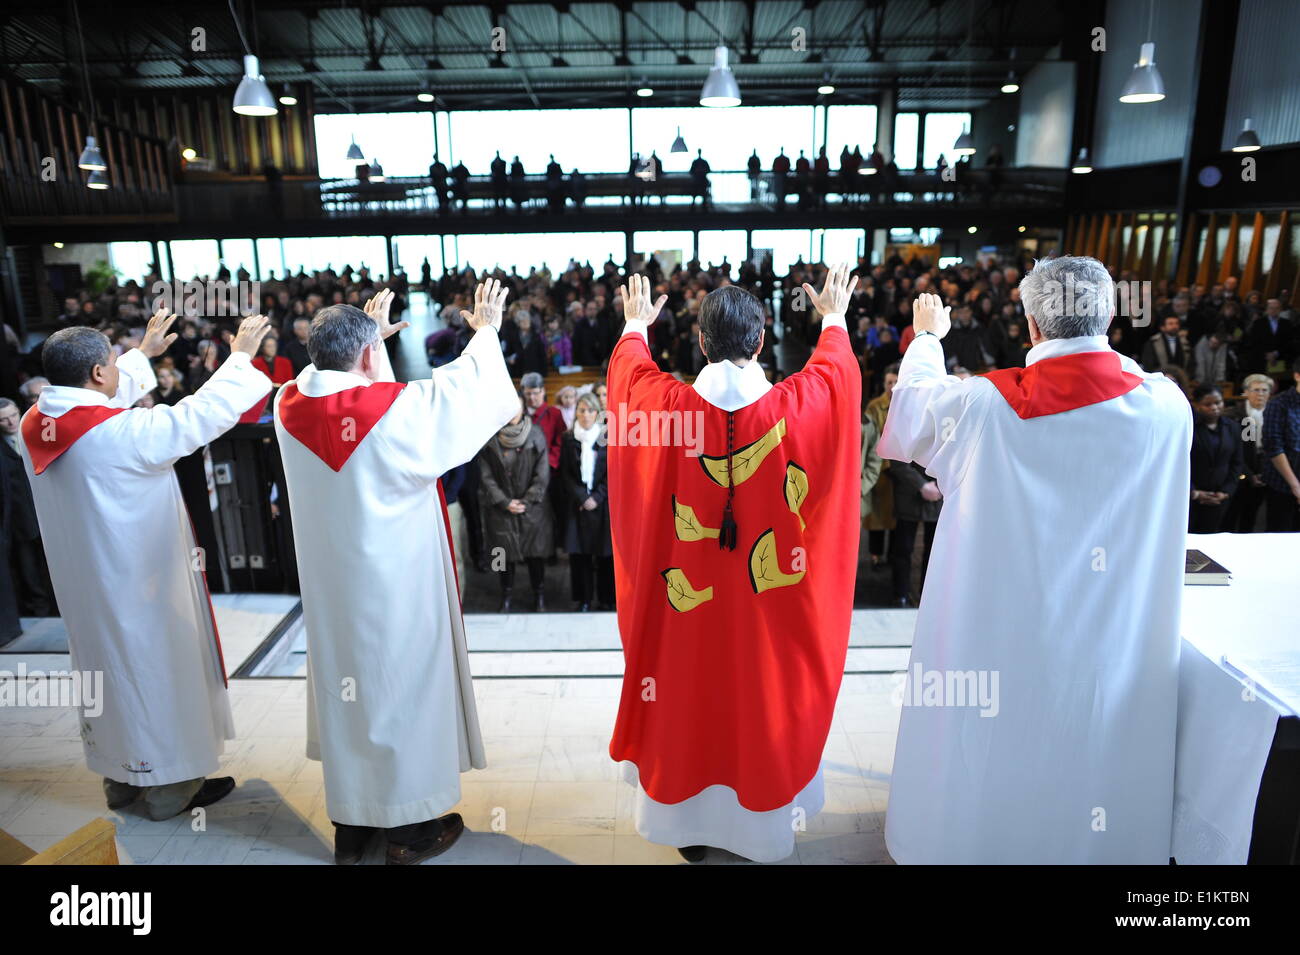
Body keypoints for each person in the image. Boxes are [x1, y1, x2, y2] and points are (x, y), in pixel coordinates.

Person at [877, 257, 1191, 863]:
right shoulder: (1166, 408)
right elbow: (1113, 383)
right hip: (1110, 646)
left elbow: (911, 411)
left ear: (1031, 325)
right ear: (1109, 318)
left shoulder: (984, 405)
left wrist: (926, 338)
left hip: (1001, 639)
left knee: (996, 756)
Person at [606, 266, 861, 863]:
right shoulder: (797, 408)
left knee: (686, 700)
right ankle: (761, 830)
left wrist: (635, 326)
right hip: (766, 618)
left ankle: (686, 829)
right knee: (760, 701)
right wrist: (833, 320)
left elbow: (629, 378)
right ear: (762, 340)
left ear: (699, 343)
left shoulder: (665, 410)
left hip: (685, 614)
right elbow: (835, 379)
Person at [273, 283, 518, 865]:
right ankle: (409, 832)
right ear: (364, 357)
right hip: (398, 585)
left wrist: (368, 349)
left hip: (333, 593)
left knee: (350, 696)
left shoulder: (287, 406)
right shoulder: (398, 410)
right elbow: (476, 397)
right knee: (402, 692)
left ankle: (353, 828)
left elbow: (351, 393)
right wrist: (486, 331)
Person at [20, 310, 273, 820]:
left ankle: (120, 778)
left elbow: (92, 401)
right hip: (139, 584)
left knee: (105, 675)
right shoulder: (121, 434)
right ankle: (169, 787)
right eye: (112, 363)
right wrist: (240, 358)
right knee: (156, 674)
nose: (116, 371)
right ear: (97, 373)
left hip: (84, 585)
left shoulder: (37, 422)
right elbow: (196, 417)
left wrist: (141, 356)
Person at [477, 392, 554, 613]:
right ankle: (506, 596)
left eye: (516, 407)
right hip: (501, 510)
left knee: (535, 556)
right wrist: (504, 502)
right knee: (502, 556)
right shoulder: (490, 438)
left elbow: (542, 474)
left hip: (532, 510)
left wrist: (526, 501)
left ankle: (539, 595)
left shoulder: (536, 435)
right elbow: (485, 476)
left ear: (523, 409)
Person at [0, 398, 54, 619]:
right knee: (28, 571)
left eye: (13, 415)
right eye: (3, 420)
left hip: (49, 514)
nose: (10, 422)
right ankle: (38, 613)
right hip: (20, 521)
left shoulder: (37, 436)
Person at [1188, 384, 1242, 533]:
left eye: (1218, 402)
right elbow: (1180, 463)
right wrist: (1194, 492)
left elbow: (1237, 462)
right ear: (1197, 405)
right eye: (1208, 404)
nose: (1214, 407)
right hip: (1191, 498)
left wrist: (1226, 491)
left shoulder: (1233, 427)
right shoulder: (1189, 427)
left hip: (1221, 497)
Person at [1259, 356, 1300, 531]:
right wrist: (1295, 486)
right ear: (1297, 376)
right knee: (1280, 535)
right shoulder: (1279, 404)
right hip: (1283, 484)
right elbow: (1273, 446)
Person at [1229, 374, 1273, 531]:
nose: (1260, 394)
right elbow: (1233, 448)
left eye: (1264, 390)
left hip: (1266, 467)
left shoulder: (1274, 413)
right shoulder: (1234, 414)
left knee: (1253, 515)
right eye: (1256, 390)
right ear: (1246, 392)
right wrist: (1248, 474)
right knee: (1233, 515)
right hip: (1240, 470)